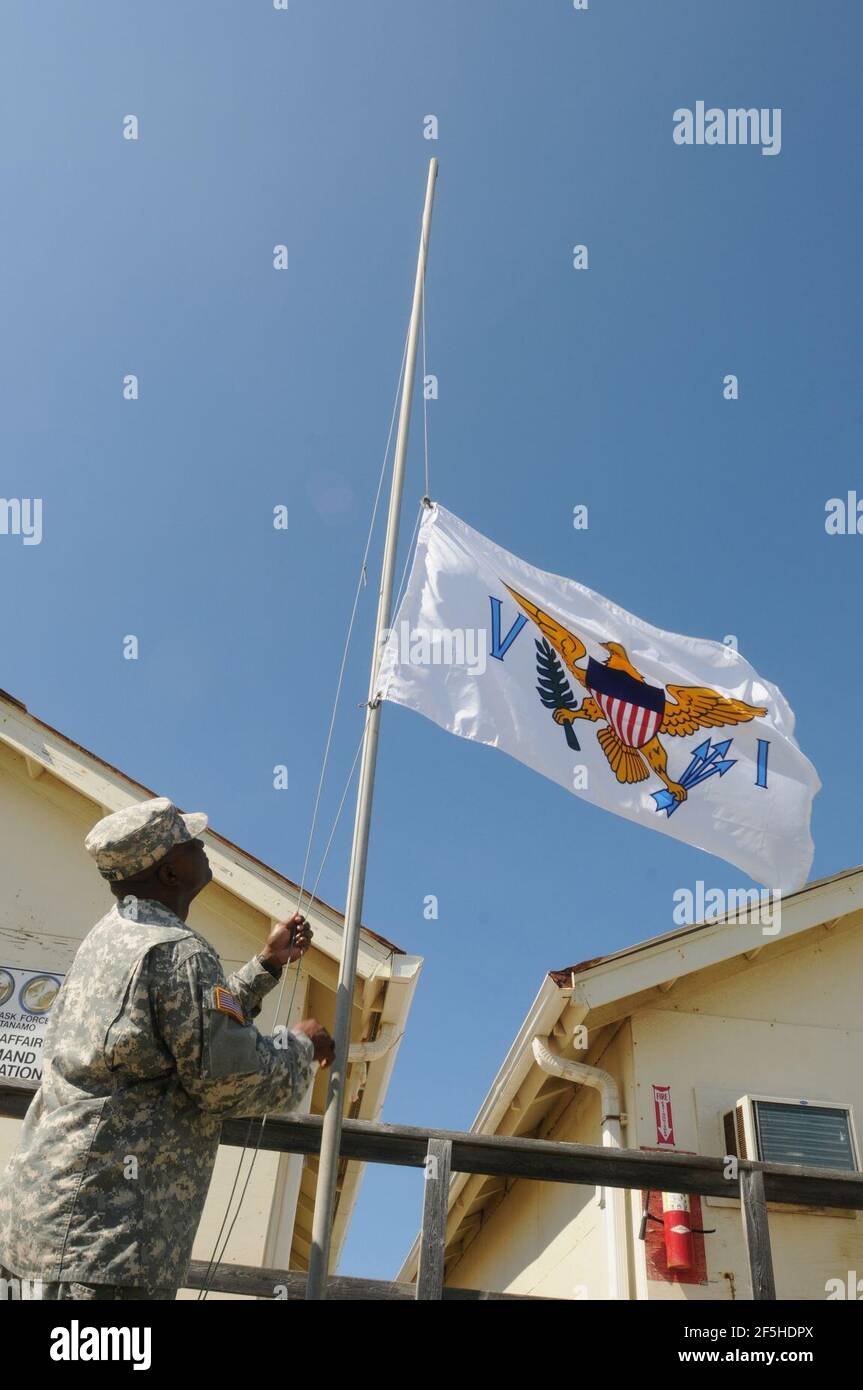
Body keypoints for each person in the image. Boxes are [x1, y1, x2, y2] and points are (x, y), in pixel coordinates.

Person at [0, 797, 334, 1301]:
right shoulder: (178, 952)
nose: (201, 845)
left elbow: (182, 1029)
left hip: (39, 1229)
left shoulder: (111, 938)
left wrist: (265, 967)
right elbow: (225, 1081)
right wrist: (302, 1047)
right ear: (170, 872)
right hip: (106, 1251)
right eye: (189, 841)